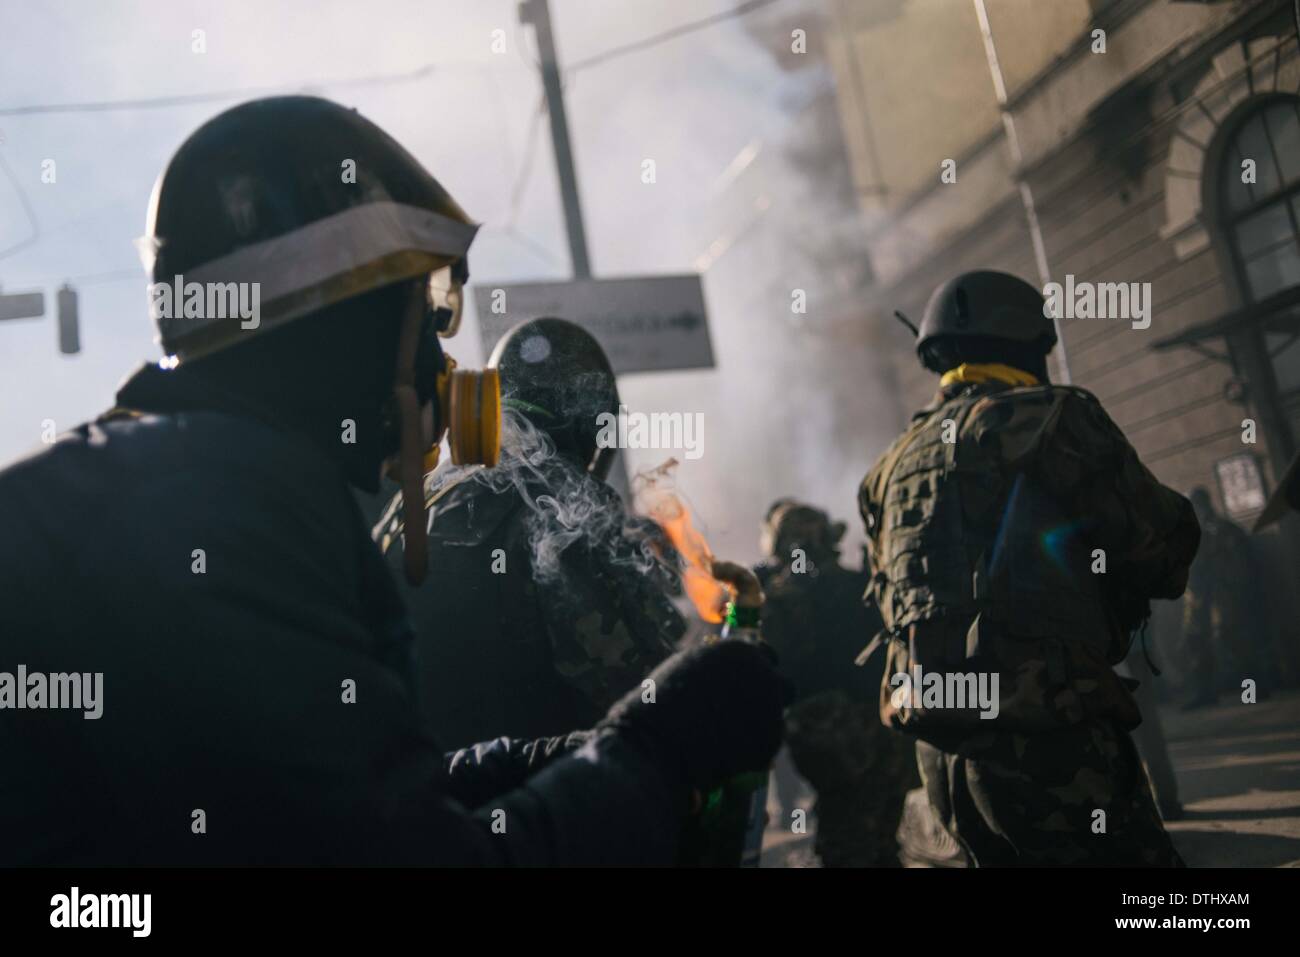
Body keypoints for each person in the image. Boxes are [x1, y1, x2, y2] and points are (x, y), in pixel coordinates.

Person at [0, 96, 788, 865]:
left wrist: (532, 760)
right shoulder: (226, 515)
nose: (439, 359)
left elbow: (342, 800)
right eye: (425, 311)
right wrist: (652, 753)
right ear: (344, 324)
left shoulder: (170, 479)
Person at [858, 270, 1199, 867]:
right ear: (1027, 346)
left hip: (941, 752)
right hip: (1044, 732)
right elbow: (1160, 552)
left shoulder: (888, 466)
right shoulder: (1052, 419)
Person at [375, 317, 684, 748]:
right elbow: (641, 688)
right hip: (543, 795)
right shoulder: (569, 510)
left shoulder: (419, 498)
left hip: (423, 789)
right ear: (592, 423)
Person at [756, 500, 917, 867]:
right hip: (884, 732)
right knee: (880, 843)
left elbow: (764, 665)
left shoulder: (782, 598)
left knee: (847, 845)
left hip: (837, 739)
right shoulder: (860, 586)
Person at [1181, 487, 1266, 708]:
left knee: (1237, 643)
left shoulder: (1223, 530)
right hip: (1202, 599)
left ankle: (1253, 690)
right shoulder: (1197, 531)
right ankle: (1205, 693)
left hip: (1225, 597)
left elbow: (1241, 568)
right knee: (1197, 644)